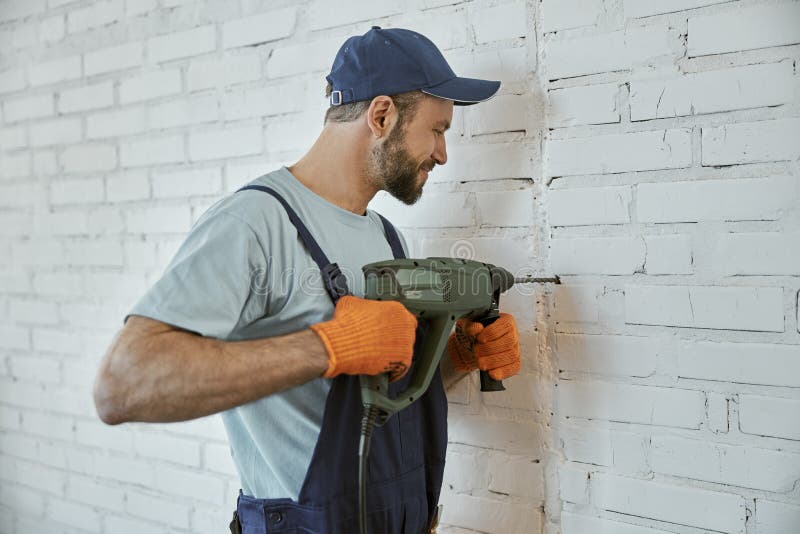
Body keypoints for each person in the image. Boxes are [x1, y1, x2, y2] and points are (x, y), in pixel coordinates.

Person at [93, 26, 522, 534]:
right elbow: (123, 385)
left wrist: (454, 358)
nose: (442, 153)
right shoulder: (254, 224)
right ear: (381, 116)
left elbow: (375, 398)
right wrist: (329, 346)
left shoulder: (386, 238)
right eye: (438, 129)